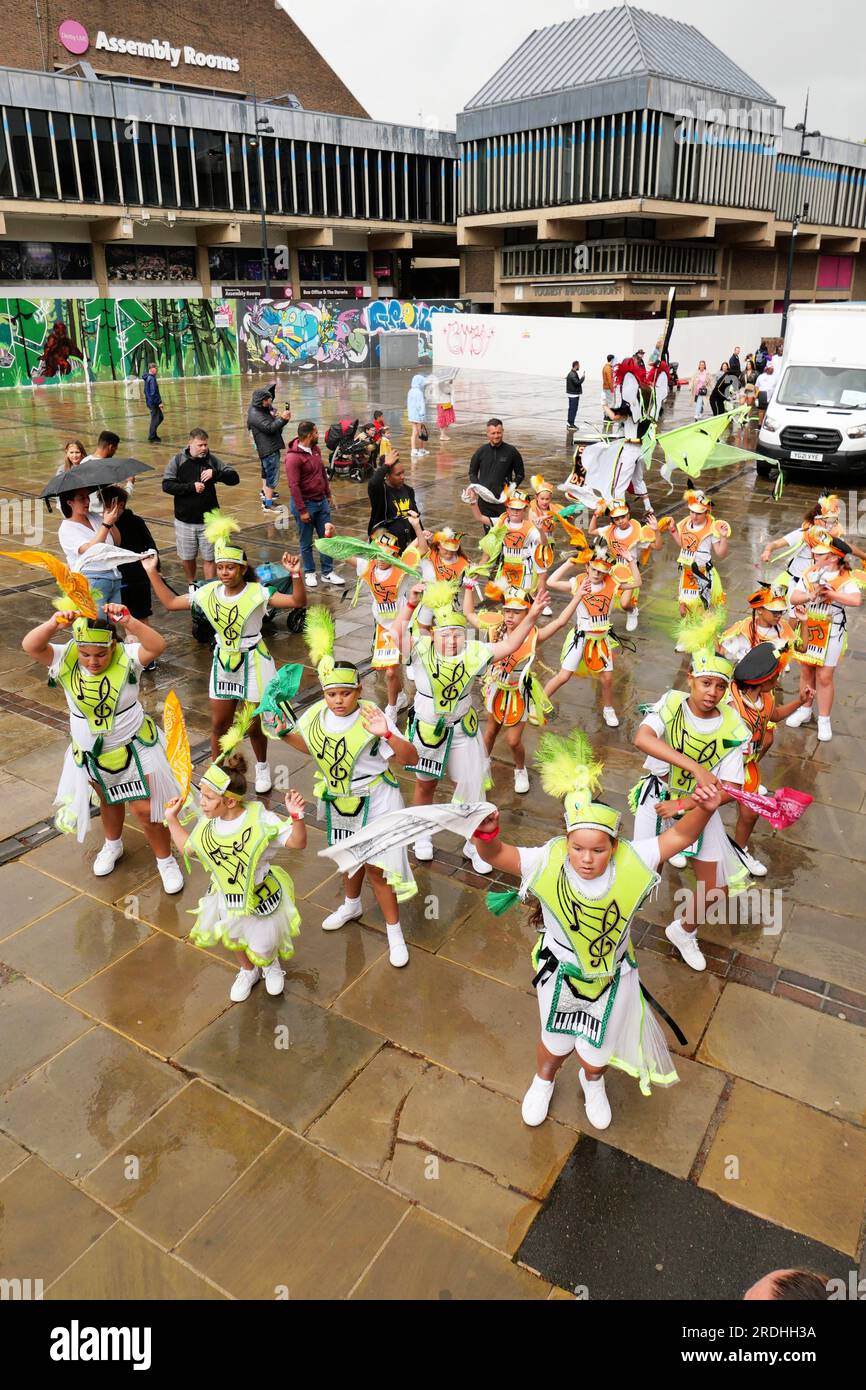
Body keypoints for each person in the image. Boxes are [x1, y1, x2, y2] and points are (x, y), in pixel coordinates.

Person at [469, 729, 726, 1130]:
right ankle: (543, 1080)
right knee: (555, 1042)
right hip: (559, 974)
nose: (587, 859)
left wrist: (706, 809)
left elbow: (681, 834)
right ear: (566, 841)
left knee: (597, 1051)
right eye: (578, 848)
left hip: (614, 976)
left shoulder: (634, 858)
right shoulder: (545, 860)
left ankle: (592, 1084)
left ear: (614, 844)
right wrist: (485, 833)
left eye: (598, 850)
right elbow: (497, 854)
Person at [260, 609, 420, 967]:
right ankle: (351, 904)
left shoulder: (372, 716)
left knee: (378, 869)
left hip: (377, 798)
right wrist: (284, 732)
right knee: (349, 860)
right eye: (332, 693)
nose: (338, 700)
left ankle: (394, 932)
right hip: (339, 800)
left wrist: (389, 733)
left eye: (346, 693)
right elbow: (313, 747)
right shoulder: (315, 714)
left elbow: (409, 759)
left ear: (358, 691)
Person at [390, 577, 548, 874]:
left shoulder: (475, 652)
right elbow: (396, 633)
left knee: (471, 787)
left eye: (457, 635)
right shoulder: (421, 649)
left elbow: (512, 643)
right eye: (445, 635)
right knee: (426, 784)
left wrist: (534, 615)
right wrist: (410, 604)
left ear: (465, 635)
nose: (451, 641)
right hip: (428, 730)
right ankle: (422, 835)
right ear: (434, 634)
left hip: (463, 729)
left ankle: (473, 844)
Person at [21, 608, 183, 892]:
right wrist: (54, 624)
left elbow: (157, 645)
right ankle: (113, 845)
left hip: (134, 745)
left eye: (100, 654)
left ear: (113, 645)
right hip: (91, 753)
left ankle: (166, 861)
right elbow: (30, 645)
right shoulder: (65, 656)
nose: (92, 661)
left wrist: (129, 621)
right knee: (107, 800)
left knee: (146, 810)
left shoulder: (129, 657)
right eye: (86, 654)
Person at [142, 513, 306, 788]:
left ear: (242, 569)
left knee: (254, 724)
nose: (224, 572)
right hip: (223, 661)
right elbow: (170, 602)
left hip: (254, 659)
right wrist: (151, 571)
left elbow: (297, 600)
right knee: (219, 724)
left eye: (230, 567)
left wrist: (295, 574)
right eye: (220, 567)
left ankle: (263, 768)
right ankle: (217, 773)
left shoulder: (258, 592)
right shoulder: (207, 593)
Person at [632, 626, 750, 971]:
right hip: (656, 797)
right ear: (690, 679)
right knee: (641, 876)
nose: (712, 692)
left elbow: (730, 787)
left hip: (699, 808)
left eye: (720, 686)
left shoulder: (732, 725)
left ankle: (683, 930)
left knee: (717, 887)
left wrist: (685, 805)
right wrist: (697, 767)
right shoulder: (670, 704)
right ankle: (612, 931)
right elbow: (642, 738)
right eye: (706, 683)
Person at [165, 755, 306, 1002]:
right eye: (202, 795)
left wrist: (296, 817)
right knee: (233, 935)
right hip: (226, 896)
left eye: (208, 798)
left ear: (230, 801)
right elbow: (188, 848)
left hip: (260, 896)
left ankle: (269, 964)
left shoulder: (260, 820)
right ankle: (248, 970)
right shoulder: (208, 824)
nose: (202, 802)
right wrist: (171, 819)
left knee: (263, 942)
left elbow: (297, 843)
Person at [466, 583, 579, 793]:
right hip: (497, 691)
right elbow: (469, 614)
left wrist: (578, 595)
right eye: (507, 611)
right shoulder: (494, 631)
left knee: (513, 740)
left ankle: (520, 769)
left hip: (520, 694)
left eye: (517, 613)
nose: (510, 616)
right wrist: (468, 588)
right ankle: (481, 767)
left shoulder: (533, 635)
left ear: (527, 613)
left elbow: (561, 622)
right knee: (489, 733)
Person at [728, 643, 813, 877]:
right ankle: (685, 845)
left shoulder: (765, 698)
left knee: (750, 813)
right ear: (761, 681)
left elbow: (773, 716)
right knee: (705, 808)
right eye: (775, 675)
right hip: (721, 767)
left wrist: (800, 701)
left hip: (748, 767)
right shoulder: (730, 702)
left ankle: (739, 850)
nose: (778, 677)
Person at [786, 532, 862, 742]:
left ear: (833, 557)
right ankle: (805, 709)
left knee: (825, 676)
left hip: (832, 630)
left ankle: (824, 719)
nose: (814, 555)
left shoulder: (845, 577)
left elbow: (856, 600)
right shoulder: (810, 572)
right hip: (809, 628)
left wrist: (831, 594)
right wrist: (811, 595)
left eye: (820, 554)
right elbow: (793, 597)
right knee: (806, 671)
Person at [545, 537, 626, 728]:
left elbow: (636, 582)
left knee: (607, 679)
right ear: (587, 567)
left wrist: (630, 561)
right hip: (580, 637)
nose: (597, 574)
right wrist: (568, 563)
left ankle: (608, 708)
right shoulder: (577, 582)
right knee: (564, 676)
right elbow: (550, 581)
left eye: (602, 571)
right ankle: (540, 700)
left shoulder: (612, 584)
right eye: (594, 569)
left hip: (601, 639)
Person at [355, 524, 425, 721]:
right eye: (376, 554)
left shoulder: (401, 570)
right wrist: (332, 535)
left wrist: (416, 527)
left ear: (393, 556)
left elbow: (421, 548)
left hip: (403, 625)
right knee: (388, 671)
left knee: (392, 672)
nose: (379, 559)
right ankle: (401, 696)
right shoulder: (367, 568)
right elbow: (345, 554)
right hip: (382, 627)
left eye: (385, 555)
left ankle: (392, 707)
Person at [162, 428, 240, 590]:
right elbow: (167, 485)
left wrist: (216, 474)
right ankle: (192, 584)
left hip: (210, 521)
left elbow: (234, 478)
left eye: (205, 444)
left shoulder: (212, 460)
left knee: (210, 558)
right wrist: (190, 487)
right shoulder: (177, 461)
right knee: (187, 557)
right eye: (200, 445)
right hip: (185, 521)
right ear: (190, 443)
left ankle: (210, 588)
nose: (204, 448)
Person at [99, 486, 159, 668]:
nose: (104, 509)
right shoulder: (111, 524)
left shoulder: (125, 523)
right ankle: (141, 655)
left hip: (132, 578)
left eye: (108, 505)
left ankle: (143, 656)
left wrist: (154, 569)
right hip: (131, 579)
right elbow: (152, 547)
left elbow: (149, 546)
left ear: (121, 505)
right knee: (135, 618)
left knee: (134, 618)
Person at [657, 489, 730, 633]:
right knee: (684, 608)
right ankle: (687, 634)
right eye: (692, 512)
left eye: (698, 513)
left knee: (703, 609)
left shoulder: (712, 528)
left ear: (707, 512)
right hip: (687, 572)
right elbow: (683, 544)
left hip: (703, 573)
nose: (694, 516)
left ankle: (706, 637)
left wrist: (723, 537)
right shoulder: (685, 523)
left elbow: (721, 553)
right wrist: (672, 530)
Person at [284, 420, 344, 589]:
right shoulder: (293, 458)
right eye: (316, 433)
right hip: (306, 505)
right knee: (306, 542)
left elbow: (322, 474)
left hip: (321, 502)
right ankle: (310, 572)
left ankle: (327, 572)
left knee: (327, 538)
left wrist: (328, 494)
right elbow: (293, 486)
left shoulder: (316, 450)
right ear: (309, 435)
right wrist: (302, 510)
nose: (319, 435)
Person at [589, 496, 656, 633]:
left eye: (623, 517)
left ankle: (632, 611)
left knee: (625, 603)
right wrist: (595, 515)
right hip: (613, 570)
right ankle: (601, 622)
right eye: (616, 518)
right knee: (604, 598)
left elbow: (657, 545)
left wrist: (657, 530)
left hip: (630, 570)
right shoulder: (609, 530)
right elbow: (591, 531)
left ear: (628, 514)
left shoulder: (637, 531)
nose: (620, 521)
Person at [57, 486, 124, 614]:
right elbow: (90, 550)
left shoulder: (94, 517)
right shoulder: (67, 528)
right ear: (69, 502)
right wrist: (106, 525)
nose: (87, 502)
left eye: (87, 497)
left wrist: (112, 521)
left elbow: (116, 542)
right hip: (92, 580)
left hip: (113, 577)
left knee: (113, 625)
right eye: (81, 498)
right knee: (96, 626)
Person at [719, 581, 802, 667]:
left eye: (781, 611)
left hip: (773, 678)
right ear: (759, 609)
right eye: (774, 612)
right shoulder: (744, 630)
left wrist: (804, 621)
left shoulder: (784, 628)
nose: (779, 616)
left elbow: (802, 648)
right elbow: (721, 654)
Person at [468, 420, 525, 531]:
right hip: (485, 501)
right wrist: (478, 488)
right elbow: (472, 472)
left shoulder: (511, 451)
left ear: (503, 431)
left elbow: (520, 474)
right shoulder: (481, 451)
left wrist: (510, 489)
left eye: (498, 432)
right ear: (487, 434)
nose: (496, 436)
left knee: (505, 531)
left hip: (503, 501)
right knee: (488, 532)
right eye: (493, 433)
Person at [247, 384, 291, 512]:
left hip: (267, 447)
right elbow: (269, 428)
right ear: (261, 401)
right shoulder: (256, 414)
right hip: (268, 448)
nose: (269, 401)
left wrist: (282, 420)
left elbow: (272, 425)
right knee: (272, 475)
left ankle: (266, 495)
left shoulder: (260, 409)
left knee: (266, 473)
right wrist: (282, 419)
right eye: (267, 399)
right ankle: (268, 504)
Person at [367, 452, 423, 545]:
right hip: (384, 546)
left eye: (403, 473)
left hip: (405, 544)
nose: (402, 477)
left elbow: (415, 517)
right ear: (387, 476)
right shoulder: (380, 492)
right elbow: (373, 483)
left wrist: (422, 536)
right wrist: (386, 465)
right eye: (398, 474)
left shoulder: (408, 490)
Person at [407, 374, 428, 457]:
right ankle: (420, 449)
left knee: (414, 432)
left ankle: (414, 449)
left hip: (412, 415)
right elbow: (421, 405)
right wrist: (422, 415)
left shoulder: (410, 391)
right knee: (420, 433)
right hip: (418, 416)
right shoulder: (419, 392)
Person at [143, 364, 164, 443]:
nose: (156, 370)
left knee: (160, 417)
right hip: (153, 402)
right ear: (151, 369)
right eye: (155, 368)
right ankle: (152, 436)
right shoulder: (151, 379)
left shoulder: (148, 378)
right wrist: (159, 402)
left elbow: (145, 391)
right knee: (156, 419)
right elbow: (153, 392)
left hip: (151, 401)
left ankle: (153, 434)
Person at [434, 372, 457, 442]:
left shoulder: (438, 383)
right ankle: (442, 435)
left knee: (443, 419)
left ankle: (443, 434)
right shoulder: (441, 384)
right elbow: (447, 391)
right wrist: (450, 384)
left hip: (440, 403)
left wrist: (448, 383)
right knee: (443, 419)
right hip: (444, 404)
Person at [566, 360, 585, 428]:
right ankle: (571, 423)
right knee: (573, 410)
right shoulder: (572, 374)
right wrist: (583, 378)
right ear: (576, 366)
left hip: (573, 394)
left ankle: (570, 423)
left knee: (571, 409)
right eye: (579, 365)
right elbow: (577, 383)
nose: (579, 367)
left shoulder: (572, 373)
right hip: (573, 395)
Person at [601, 353, 616, 418]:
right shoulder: (608, 368)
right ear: (612, 359)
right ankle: (609, 417)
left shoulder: (605, 367)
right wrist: (612, 389)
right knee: (611, 403)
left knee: (606, 402)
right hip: (609, 388)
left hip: (605, 388)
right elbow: (610, 380)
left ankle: (606, 415)